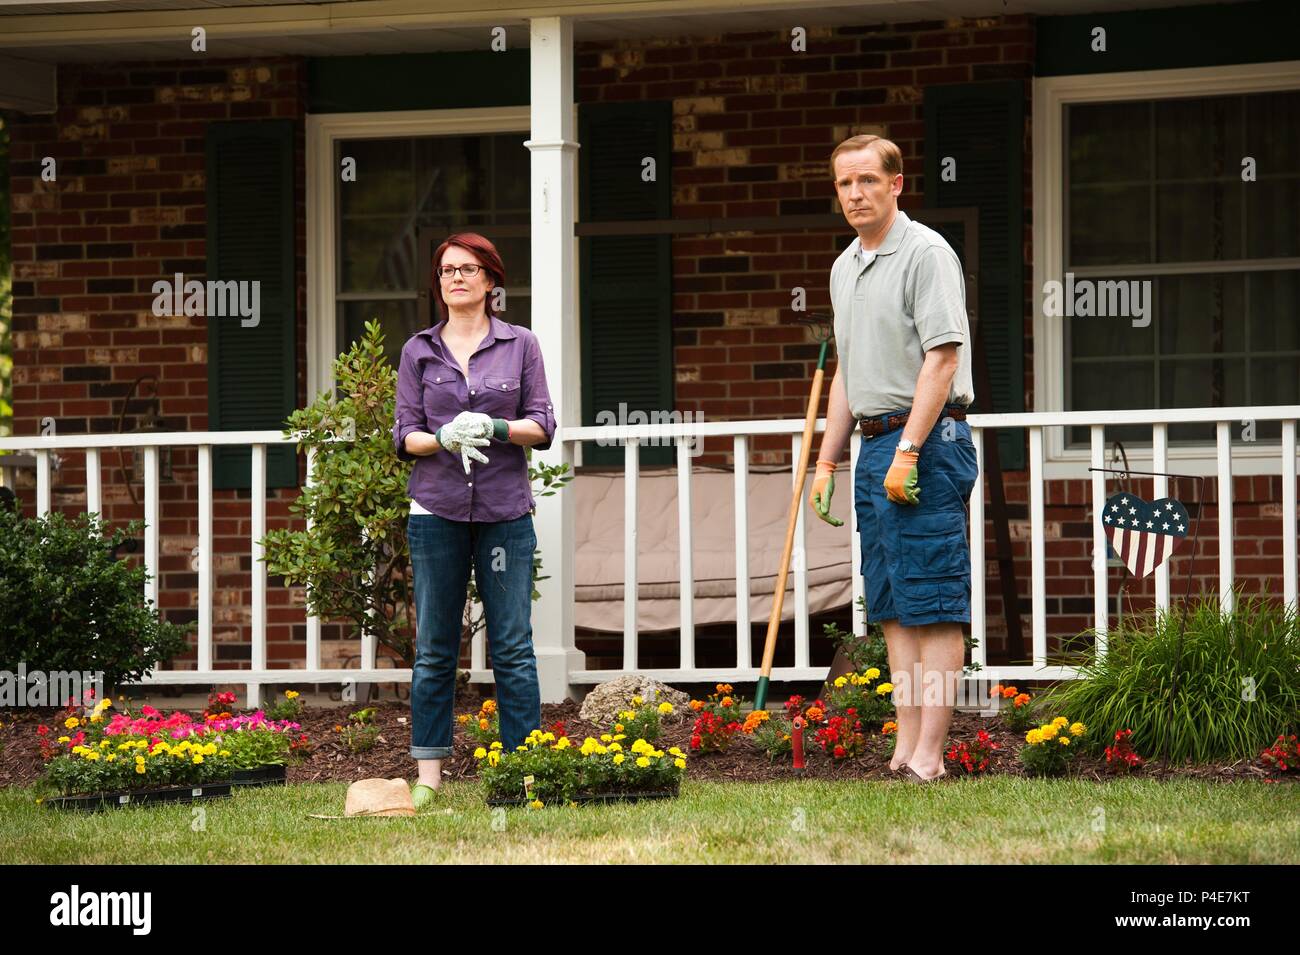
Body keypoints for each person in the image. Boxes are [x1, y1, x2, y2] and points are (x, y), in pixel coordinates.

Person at [808, 135, 978, 783]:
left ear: (896, 183)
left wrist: (908, 450)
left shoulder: (927, 254)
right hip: (874, 445)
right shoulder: (845, 265)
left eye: (867, 181)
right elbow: (850, 368)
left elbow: (943, 359)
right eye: (844, 183)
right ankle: (905, 749)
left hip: (927, 443)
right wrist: (827, 461)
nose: (854, 194)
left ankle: (931, 755)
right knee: (893, 605)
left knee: (933, 602)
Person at [392, 232, 557, 809]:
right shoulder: (418, 351)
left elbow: (543, 425)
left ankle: (523, 773)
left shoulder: (522, 345)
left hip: (504, 512)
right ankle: (429, 777)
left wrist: (495, 427)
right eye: (446, 271)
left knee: (512, 645)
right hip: (434, 510)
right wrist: (441, 437)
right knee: (435, 646)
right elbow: (404, 435)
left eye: (468, 269)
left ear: (491, 281)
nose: (456, 278)